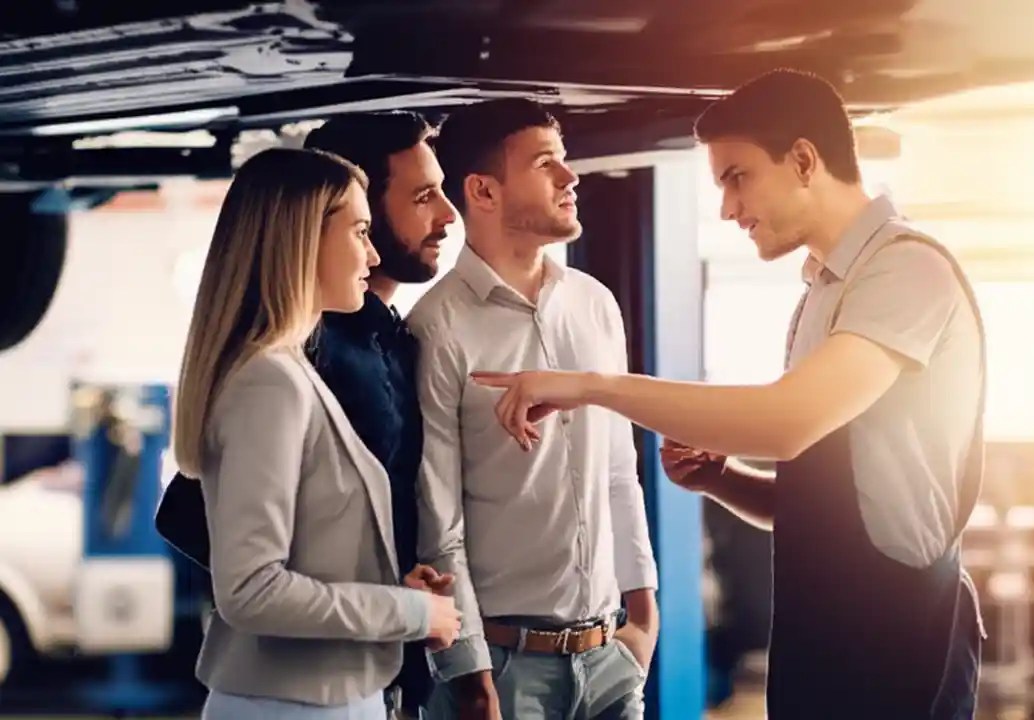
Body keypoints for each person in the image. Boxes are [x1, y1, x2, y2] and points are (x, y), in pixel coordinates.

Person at [471, 69, 988, 718]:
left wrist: (591, 386)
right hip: (826, 639)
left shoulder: (908, 270)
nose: (727, 208)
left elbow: (786, 423)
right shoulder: (825, 291)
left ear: (803, 160)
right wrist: (724, 480)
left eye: (736, 177)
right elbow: (829, 501)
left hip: (901, 640)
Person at [161, 110, 460, 718]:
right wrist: (408, 612)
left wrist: (391, 589)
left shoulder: (286, 370)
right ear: (304, 240)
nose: (371, 255)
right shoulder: (271, 381)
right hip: (296, 700)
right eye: (358, 232)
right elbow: (250, 588)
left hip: (332, 692)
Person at [407, 98, 659, 720]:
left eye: (564, 161)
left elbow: (619, 474)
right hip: (503, 672)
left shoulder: (595, 304)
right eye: (547, 164)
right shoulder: (436, 328)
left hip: (611, 662)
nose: (570, 178)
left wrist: (645, 617)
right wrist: (469, 676)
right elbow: (440, 519)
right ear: (483, 191)